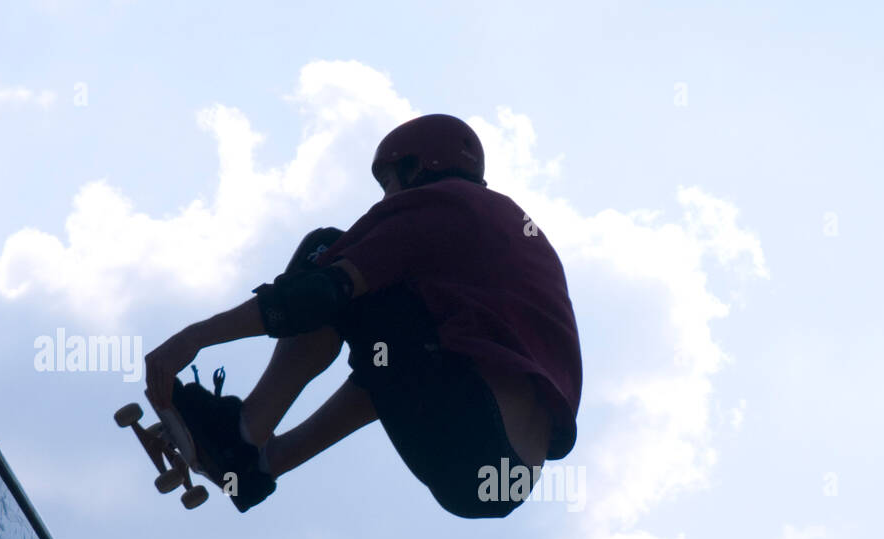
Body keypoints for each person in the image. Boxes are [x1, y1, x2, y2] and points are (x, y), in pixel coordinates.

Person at [142, 113, 582, 517]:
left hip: (474, 421)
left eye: (389, 181)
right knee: (391, 351)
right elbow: (399, 369)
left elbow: (319, 294)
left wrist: (193, 337)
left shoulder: (442, 202)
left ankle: (242, 430)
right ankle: (263, 460)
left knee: (332, 257)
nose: (386, 198)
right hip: (503, 478)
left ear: (418, 167)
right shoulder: (501, 228)